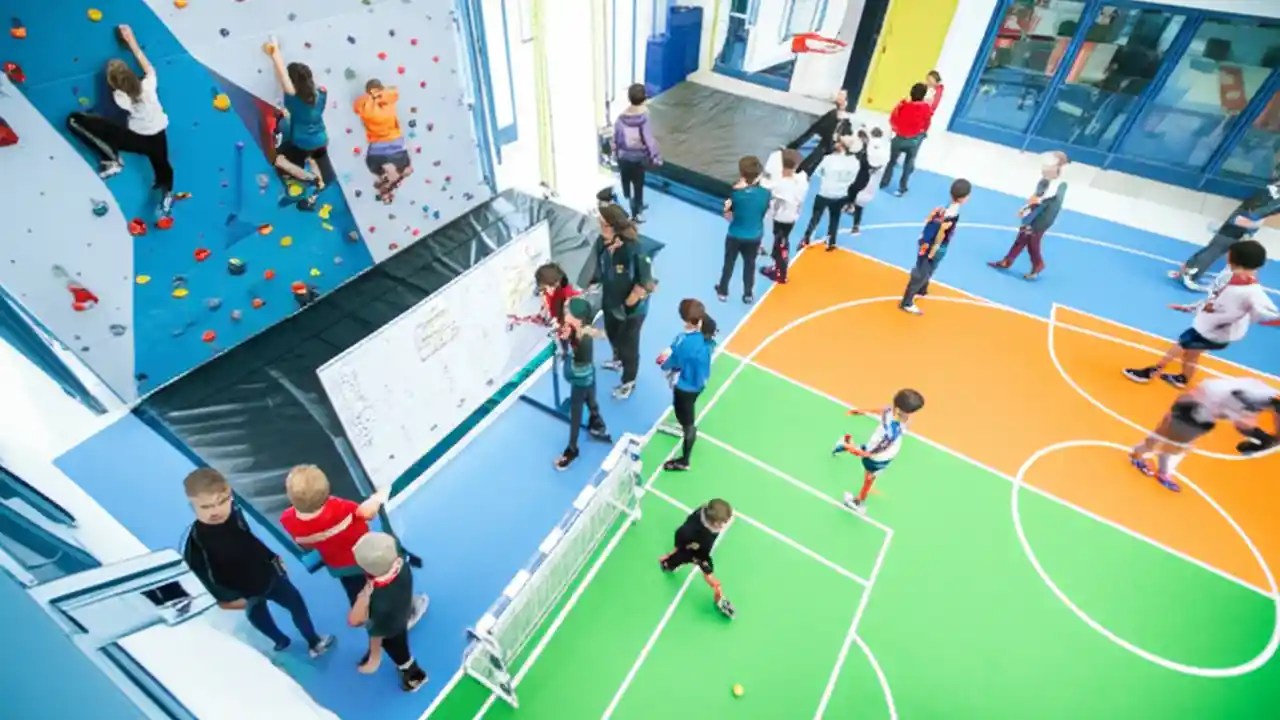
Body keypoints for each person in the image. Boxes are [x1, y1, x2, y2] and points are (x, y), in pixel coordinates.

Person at [182, 468, 335, 658]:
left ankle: (314, 642)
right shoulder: (197, 542)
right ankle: (280, 640)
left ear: (230, 496)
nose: (216, 511)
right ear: (193, 506)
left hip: (267, 576)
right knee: (259, 616)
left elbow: (249, 539)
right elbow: (202, 576)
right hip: (243, 591)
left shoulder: (234, 514)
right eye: (206, 507)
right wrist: (226, 599)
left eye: (222, 502)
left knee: (296, 603)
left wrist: (272, 557)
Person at [1124, 240, 1279, 388]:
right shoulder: (1229, 277)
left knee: (1181, 344)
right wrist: (1188, 308)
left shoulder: (1251, 292)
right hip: (1214, 327)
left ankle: (1151, 372)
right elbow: (1212, 300)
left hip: (1215, 331)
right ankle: (1183, 379)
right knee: (1191, 354)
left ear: (1232, 258)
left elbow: (1269, 315)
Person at [67, 24, 175, 217]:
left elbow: (117, 105)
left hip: (136, 138)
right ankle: (167, 192)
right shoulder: (149, 85)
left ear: (114, 85)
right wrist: (131, 40)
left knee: (75, 120)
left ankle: (112, 159)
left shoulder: (120, 98)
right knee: (162, 164)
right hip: (158, 135)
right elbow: (147, 66)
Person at [1130, 377, 1279, 492]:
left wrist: (1274, 437)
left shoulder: (1265, 392)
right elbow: (1243, 425)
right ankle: (1158, 468)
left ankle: (1140, 455)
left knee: (1167, 432)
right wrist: (1265, 439)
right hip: (1199, 408)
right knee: (1176, 444)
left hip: (1198, 397)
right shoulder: (1248, 399)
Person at [280, 464, 393, 604]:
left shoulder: (287, 519)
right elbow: (367, 513)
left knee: (355, 590)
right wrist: (378, 497)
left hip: (339, 565)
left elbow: (305, 543)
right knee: (383, 580)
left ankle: (363, 609)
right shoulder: (341, 507)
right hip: (366, 554)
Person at [589, 205, 656, 399]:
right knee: (613, 334)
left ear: (613, 227)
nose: (599, 226)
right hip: (610, 300)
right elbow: (599, 268)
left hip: (633, 310)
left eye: (602, 224)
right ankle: (617, 360)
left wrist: (628, 304)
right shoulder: (602, 243)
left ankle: (628, 381)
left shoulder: (635, 249)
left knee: (629, 346)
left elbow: (645, 284)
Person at [349, 533, 429, 692]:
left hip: (391, 628)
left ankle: (414, 675)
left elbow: (358, 622)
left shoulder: (376, 600)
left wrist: (374, 657)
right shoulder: (401, 563)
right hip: (401, 607)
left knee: (398, 650)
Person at [1170, 182, 1280, 291]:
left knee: (1214, 248)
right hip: (1240, 225)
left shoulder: (1268, 193)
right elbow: (1253, 215)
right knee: (1215, 249)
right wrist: (1251, 227)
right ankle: (1190, 274)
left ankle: (1186, 271)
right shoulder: (1269, 199)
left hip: (1239, 222)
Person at [832, 389, 925, 515]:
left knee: (870, 473)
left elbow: (883, 410)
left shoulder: (894, 413)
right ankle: (857, 502)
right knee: (869, 477)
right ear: (900, 410)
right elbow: (872, 451)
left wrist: (863, 411)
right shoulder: (891, 431)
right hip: (877, 457)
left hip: (883, 452)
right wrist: (857, 450)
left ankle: (845, 445)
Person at [264, 40, 327, 206]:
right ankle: (319, 180)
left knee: (279, 160)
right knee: (311, 157)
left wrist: (274, 49)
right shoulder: (321, 93)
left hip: (302, 141)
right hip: (320, 138)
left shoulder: (293, 97)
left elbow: (282, 75)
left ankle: (312, 178)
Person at [657, 299, 717, 471]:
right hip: (700, 381)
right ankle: (684, 424)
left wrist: (662, 360)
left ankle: (684, 461)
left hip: (685, 386)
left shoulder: (683, 342)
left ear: (687, 320)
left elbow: (668, 362)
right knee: (686, 408)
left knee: (686, 420)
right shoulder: (707, 330)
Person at [988, 151, 1069, 280]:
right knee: (1023, 236)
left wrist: (1027, 207)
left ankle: (1037, 264)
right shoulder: (1045, 180)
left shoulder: (1059, 184)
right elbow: (1036, 198)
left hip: (1043, 217)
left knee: (1032, 240)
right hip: (1036, 212)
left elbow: (1042, 199)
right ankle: (1008, 260)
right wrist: (1026, 208)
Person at [901, 179, 972, 315]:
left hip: (937, 244)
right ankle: (907, 302)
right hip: (932, 246)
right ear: (963, 198)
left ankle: (922, 288)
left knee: (930, 268)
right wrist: (930, 249)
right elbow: (935, 232)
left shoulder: (949, 208)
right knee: (922, 271)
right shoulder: (949, 213)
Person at [556, 296, 611, 469]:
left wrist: (565, 349)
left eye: (568, 312)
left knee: (576, 413)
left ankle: (572, 449)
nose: (565, 314)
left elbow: (575, 367)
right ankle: (597, 422)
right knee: (591, 399)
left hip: (581, 378)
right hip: (588, 374)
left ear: (577, 318)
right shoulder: (581, 330)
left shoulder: (584, 340)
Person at [659, 499, 735, 618]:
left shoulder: (709, 518)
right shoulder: (690, 530)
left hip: (702, 553)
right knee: (670, 564)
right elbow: (680, 535)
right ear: (712, 522)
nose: (723, 525)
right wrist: (672, 552)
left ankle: (719, 599)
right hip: (691, 550)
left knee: (715, 583)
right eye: (721, 523)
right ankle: (668, 563)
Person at [717, 156, 772, 304]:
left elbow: (727, 216)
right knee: (750, 265)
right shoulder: (766, 194)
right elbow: (763, 213)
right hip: (754, 236)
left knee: (729, 264)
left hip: (735, 234)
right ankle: (748, 294)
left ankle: (723, 292)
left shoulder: (735, 195)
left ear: (742, 173)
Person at [354, 80, 414, 203]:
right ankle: (387, 182)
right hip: (382, 148)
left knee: (398, 169)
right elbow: (392, 91)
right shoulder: (388, 100)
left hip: (388, 148)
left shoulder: (367, 106)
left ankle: (388, 181)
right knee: (394, 170)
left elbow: (407, 170)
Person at [800, 135, 862, 251]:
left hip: (825, 192)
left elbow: (819, 172)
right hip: (841, 194)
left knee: (816, 216)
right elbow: (853, 180)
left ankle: (807, 238)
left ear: (843, 147)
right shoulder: (856, 163)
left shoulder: (829, 159)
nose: (837, 143)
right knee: (835, 218)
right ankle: (831, 241)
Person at [614, 83, 662, 222]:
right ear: (644, 99)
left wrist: (616, 154)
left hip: (623, 157)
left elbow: (616, 139)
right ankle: (637, 212)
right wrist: (655, 157)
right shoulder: (644, 117)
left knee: (626, 183)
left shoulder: (620, 118)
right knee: (638, 184)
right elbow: (648, 140)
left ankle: (627, 208)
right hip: (638, 158)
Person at [761, 149, 809, 284]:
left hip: (781, 217)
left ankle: (781, 274)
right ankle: (778, 266)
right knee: (782, 241)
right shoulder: (802, 180)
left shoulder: (780, 184)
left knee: (781, 244)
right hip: (793, 217)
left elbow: (766, 186)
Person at [880, 83, 934, 197]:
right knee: (908, 163)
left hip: (899, 138)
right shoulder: (926, 108)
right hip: (913, 141)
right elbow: (927, 124)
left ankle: (884, 182)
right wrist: (922, 133)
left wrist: (897, 129)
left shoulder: (902, 105)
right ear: (923, 95)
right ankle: (902, 188)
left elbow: (893, 119)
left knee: (891, 161)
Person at [786, 89, 854, 176]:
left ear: (846, 102)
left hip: (827, 149)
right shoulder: (832, 114)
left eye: (841, 96)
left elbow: (846, 140)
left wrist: (837, 145)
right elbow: (814, 129)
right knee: (804, 163)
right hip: (819, 144)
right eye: (839, 95)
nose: (838, 97)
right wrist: (794, 145)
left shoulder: (845, 122)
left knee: (809, 166)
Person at [844, 126, 890, 235]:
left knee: (852, 189)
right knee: (861, 202)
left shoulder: (868, 146)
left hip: (864, 174)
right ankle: (856, 226)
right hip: (874, 177)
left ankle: (849, 205)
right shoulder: (885, 147)